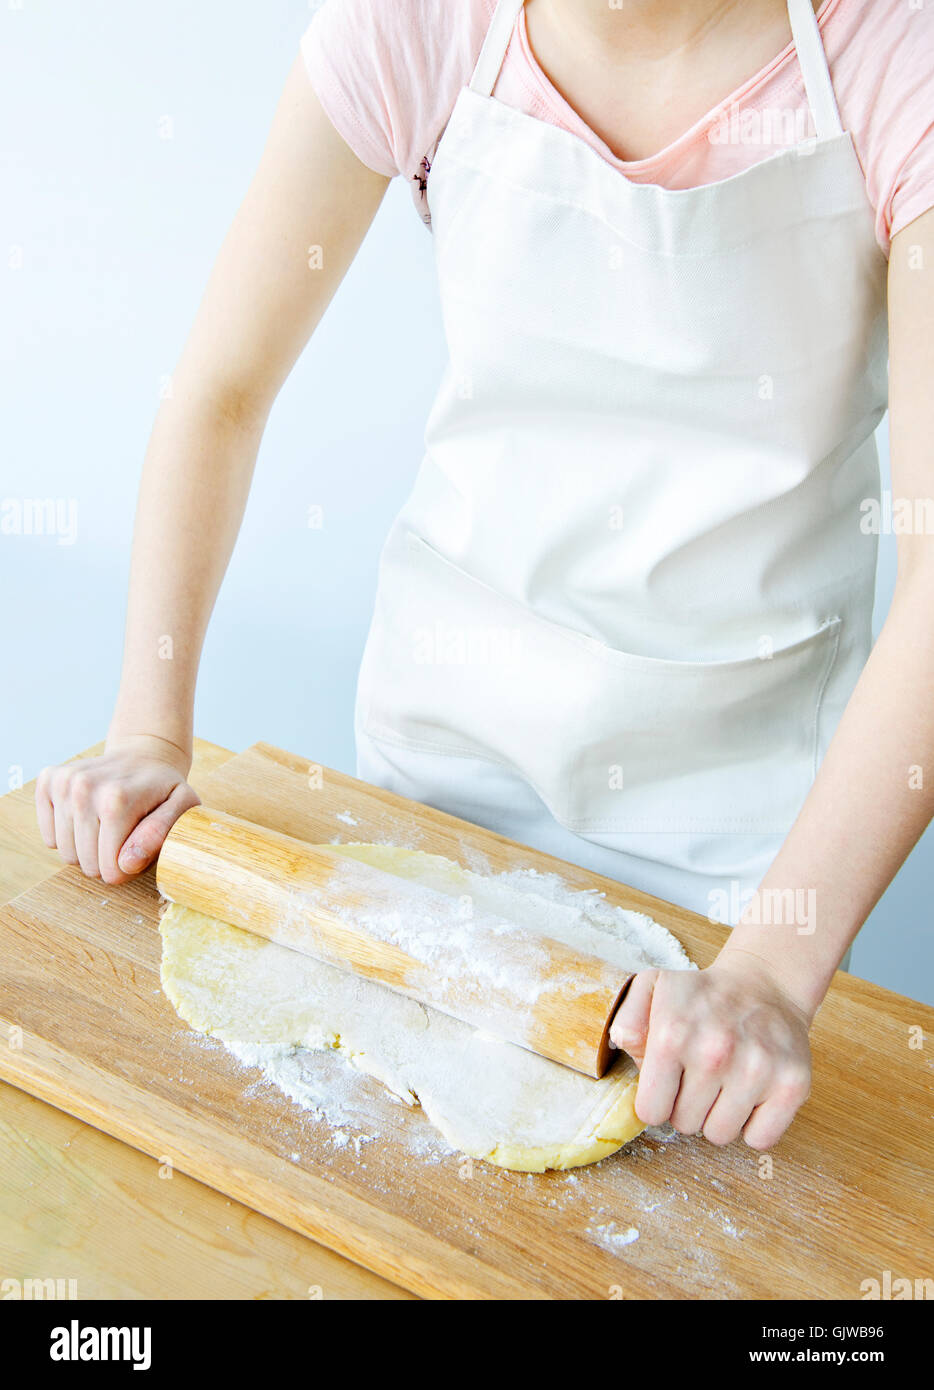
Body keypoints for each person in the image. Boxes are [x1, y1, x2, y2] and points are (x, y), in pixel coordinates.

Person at [36, 0, 934, 1150]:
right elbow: (219, 391)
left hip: (746, 861)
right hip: (434, 783)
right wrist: (147, 734)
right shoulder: (416, 23)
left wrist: (765, 972)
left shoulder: (890, 58)